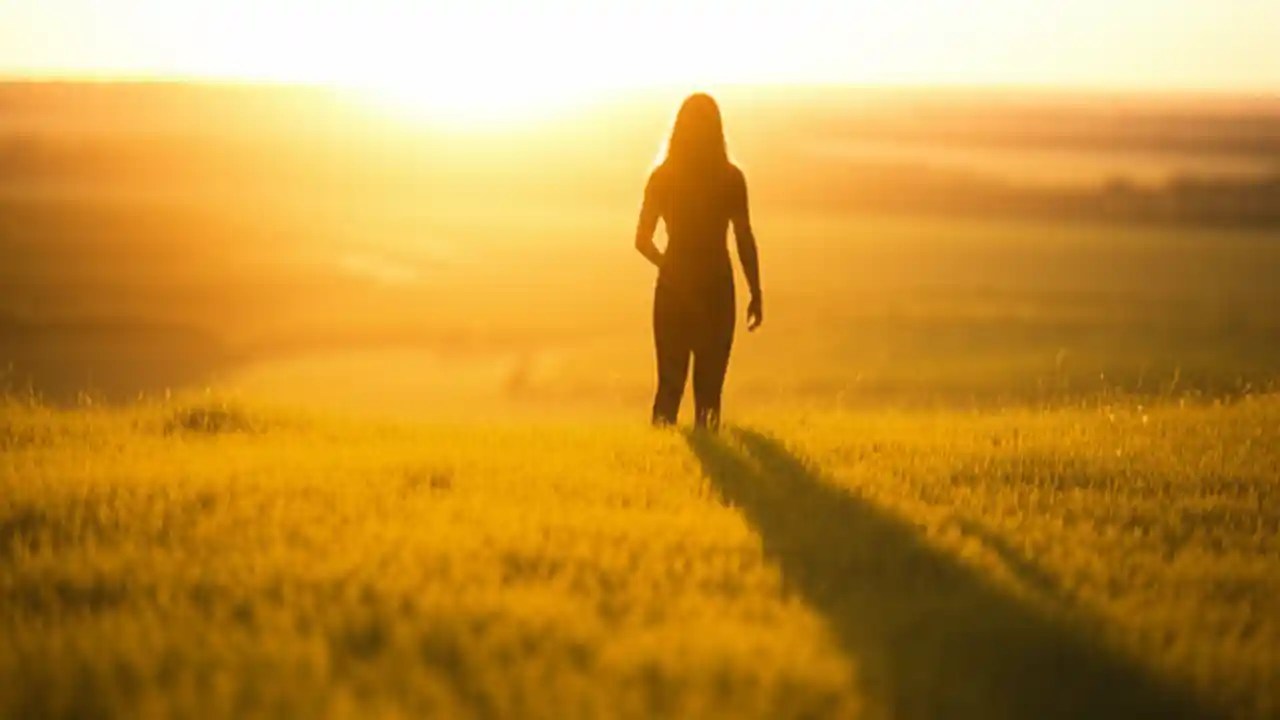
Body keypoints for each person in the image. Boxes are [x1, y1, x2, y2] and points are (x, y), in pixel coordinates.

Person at [634, 93, 762, 429]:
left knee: (669, 387)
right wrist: (756, 292)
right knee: (709, 393)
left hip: (673, 290)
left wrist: (667, 265)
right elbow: (744, 237)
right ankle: (712, 462)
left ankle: (659, 464)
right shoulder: (731, 178)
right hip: (717, 289)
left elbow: (641, 240)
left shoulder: (662, 177)